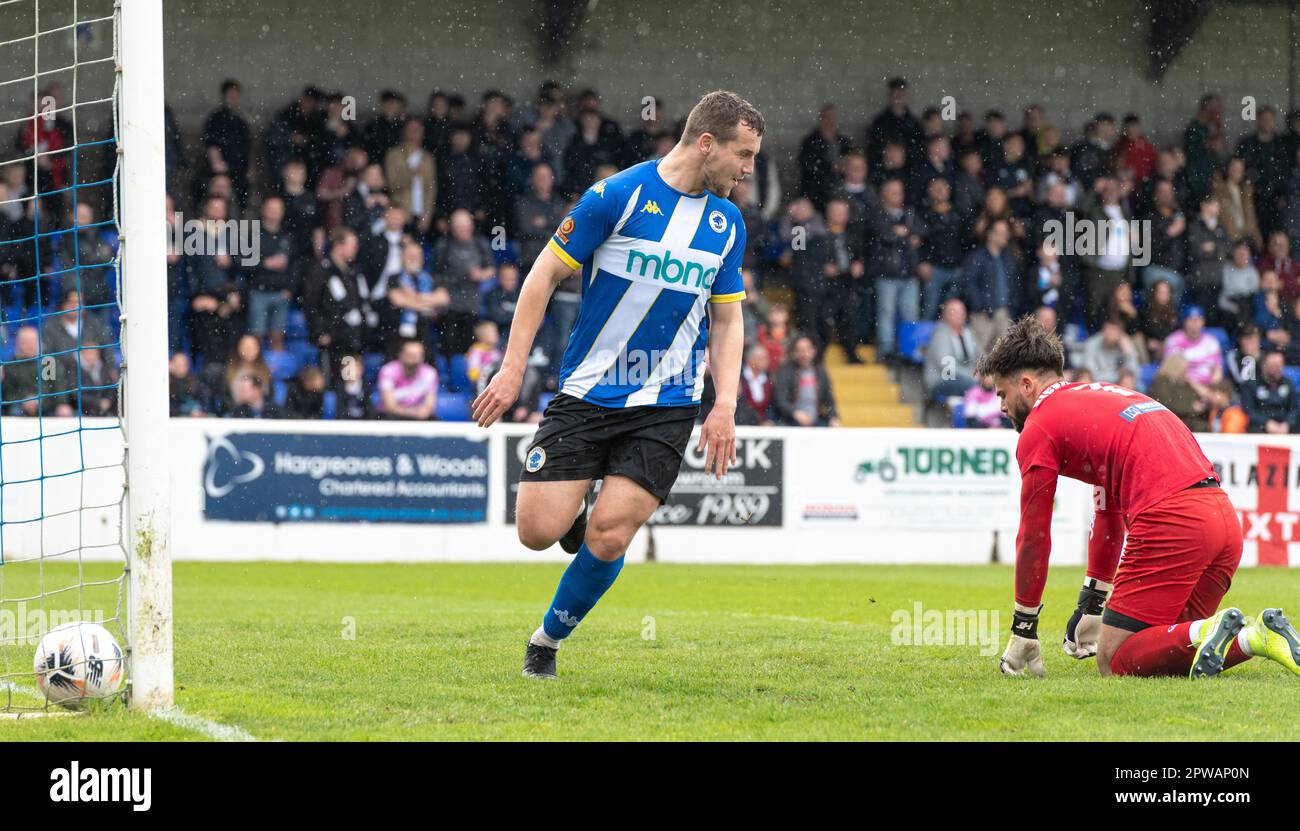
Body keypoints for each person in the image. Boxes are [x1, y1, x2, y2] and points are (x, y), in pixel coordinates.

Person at [470, 91, 759, 681]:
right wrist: (512, 367)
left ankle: (545, 642)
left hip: (667, 405)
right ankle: (571, 514)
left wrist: (723, 404)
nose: (748, 169)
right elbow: (543, 275)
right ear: (707, 143)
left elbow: (727, 319)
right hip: (588, 393)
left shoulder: (727, 224)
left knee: (610, 533)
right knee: (537, 532)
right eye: (744, 154)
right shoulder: (617, 196)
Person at [978, 316, 1300, 680]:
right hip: (1223, 520)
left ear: (1026, 384)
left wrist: (1024, 626)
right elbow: (1108, 511)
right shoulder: (1099, 396)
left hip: (1173, 522)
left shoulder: (1039, 427)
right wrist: (1093, 599)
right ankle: (1258, 637)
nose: (1002, 408)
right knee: (1166, 653)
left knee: (1115, 660)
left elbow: (1034, 535)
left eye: (1003, 394)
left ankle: (1224, 631)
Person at [773, 335, 841, 426]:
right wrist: (795, 412)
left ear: (813, 351)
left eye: (806, 350)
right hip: (791, 421)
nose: (803, 354)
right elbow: (781, 400)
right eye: (800, 350)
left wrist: (834, 417)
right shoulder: (786, 371)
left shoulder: (820, 372)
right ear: (794, 353)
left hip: (817, 421)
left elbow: (829, 400)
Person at [1240, 349, 1299, 434]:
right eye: (1272, 365)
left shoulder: (1288, 383)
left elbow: (1294, 409)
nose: (1276, 369)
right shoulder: (1251, 384)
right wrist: (1266, 423)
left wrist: (1287, 424)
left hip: (1285, 426)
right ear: (1263, 365)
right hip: (1260, 426)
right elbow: (1248, 410)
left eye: (1279, 365)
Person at [377, 339, 438, 420]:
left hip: (419, 417)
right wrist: (414, 413)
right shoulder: (388, 371)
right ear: (400, 355)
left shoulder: (430, 373)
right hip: (393, 416)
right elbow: (390, 406)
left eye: (419, 354)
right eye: (411, 354)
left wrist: (422, 412)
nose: (415, 358)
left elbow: (429, 406)